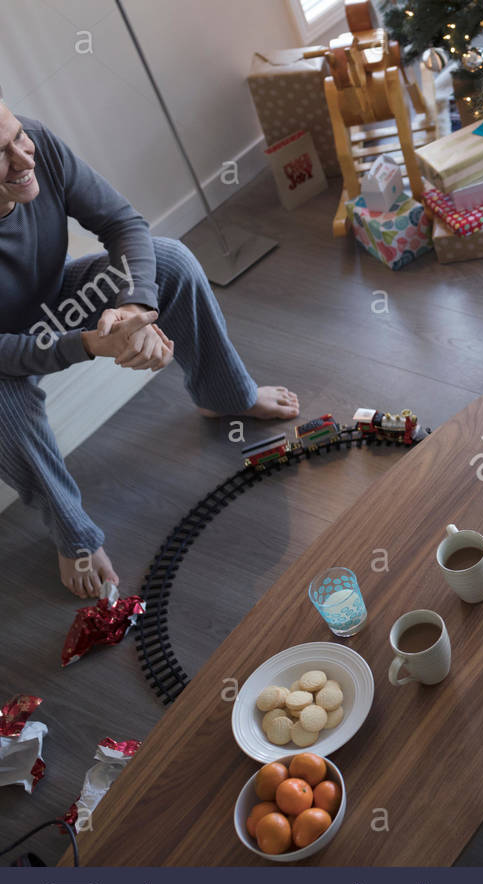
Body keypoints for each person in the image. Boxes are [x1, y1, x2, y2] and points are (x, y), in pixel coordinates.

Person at [0, 98, 298, 599]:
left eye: (16, 137)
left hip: (52, 302)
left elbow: (122, 223)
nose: (25, 159)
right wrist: (89, 344)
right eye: (1, 154)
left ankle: (224, 393)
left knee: (170, 260)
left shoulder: (38, 142)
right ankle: (72, 534)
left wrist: (135, 306)